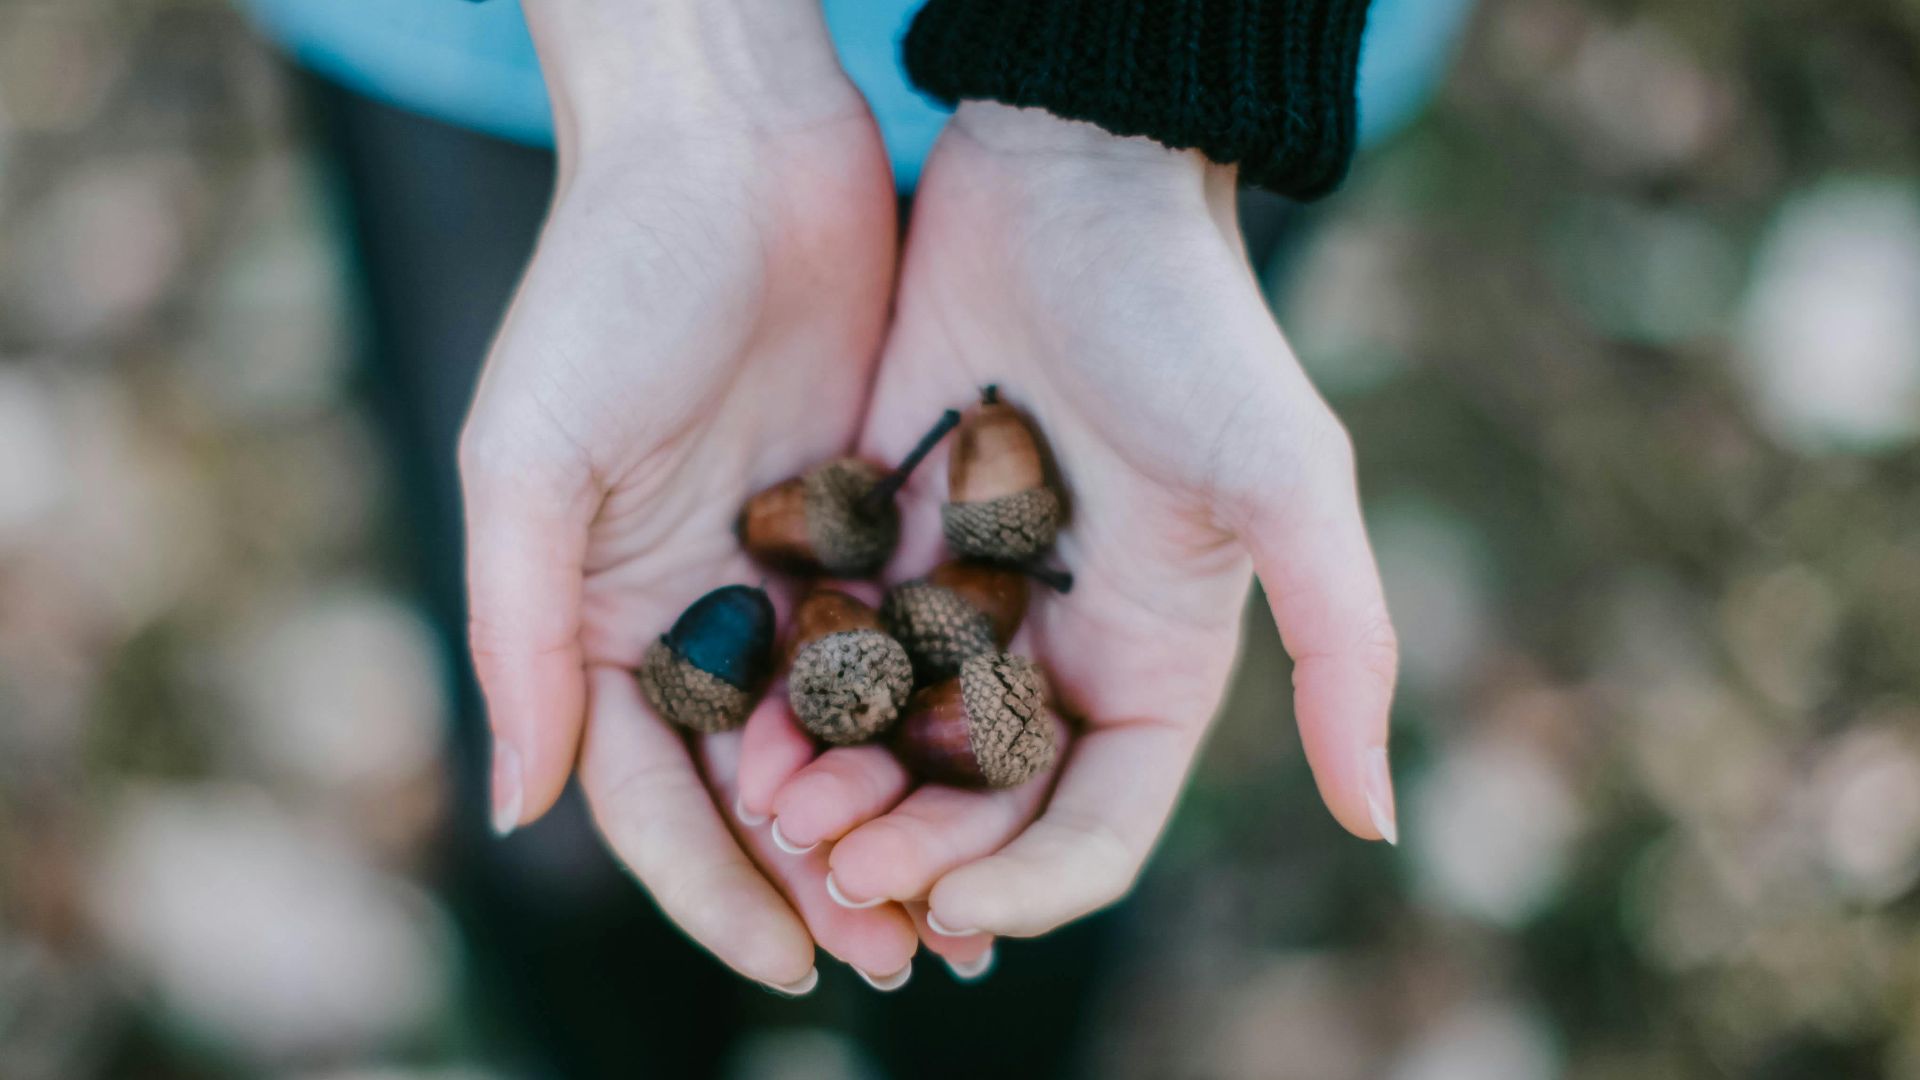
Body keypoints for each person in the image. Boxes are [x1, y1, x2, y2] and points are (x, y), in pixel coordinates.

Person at [246, 0, 1475, 1074]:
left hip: (1189, 56)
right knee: (570, 832)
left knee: (1004, 899)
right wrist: (677, 64)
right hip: (528, 44)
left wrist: (1122, 130)